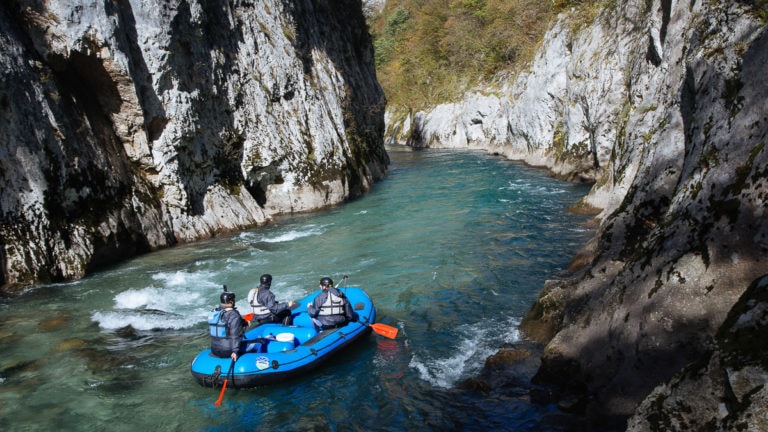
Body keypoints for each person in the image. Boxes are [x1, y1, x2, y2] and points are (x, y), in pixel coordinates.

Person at [208, 288, 248, 361]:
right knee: (257, 344)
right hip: (227, 351)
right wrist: (235, 351)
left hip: (214, 350)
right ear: (231, 302)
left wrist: (243, 322)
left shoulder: (216, 312)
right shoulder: (234, 314)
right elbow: (235, 334)